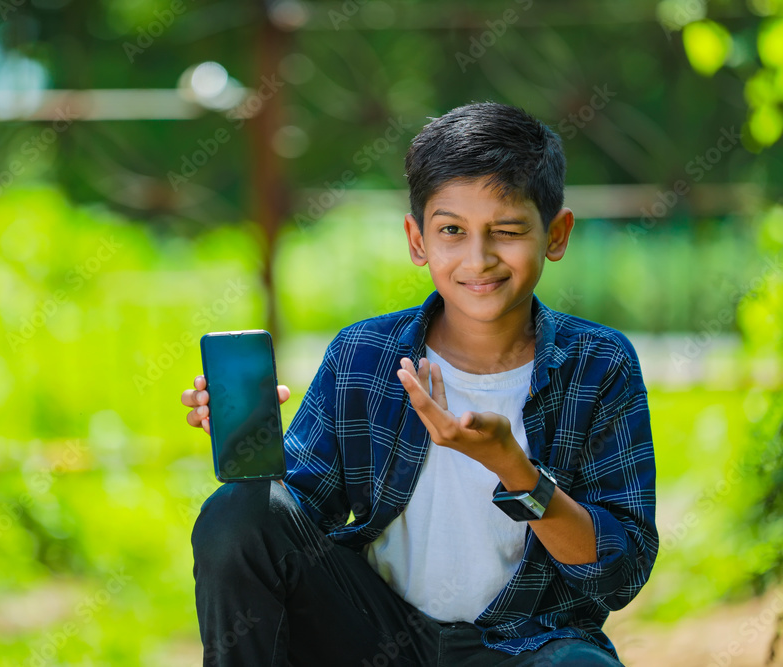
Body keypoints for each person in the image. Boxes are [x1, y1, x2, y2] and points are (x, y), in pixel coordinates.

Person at [180, 102, 658, 666]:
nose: (478, 259)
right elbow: (292, 517)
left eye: (505, 231)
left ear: (556, 234)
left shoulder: (599, 365)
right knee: (237, 509)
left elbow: (618, 575)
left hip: (523, 644)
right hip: (370, 639)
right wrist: (249, 446)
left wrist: (514, 470)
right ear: (417, 240)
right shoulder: (365, 355)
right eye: (451, 231)